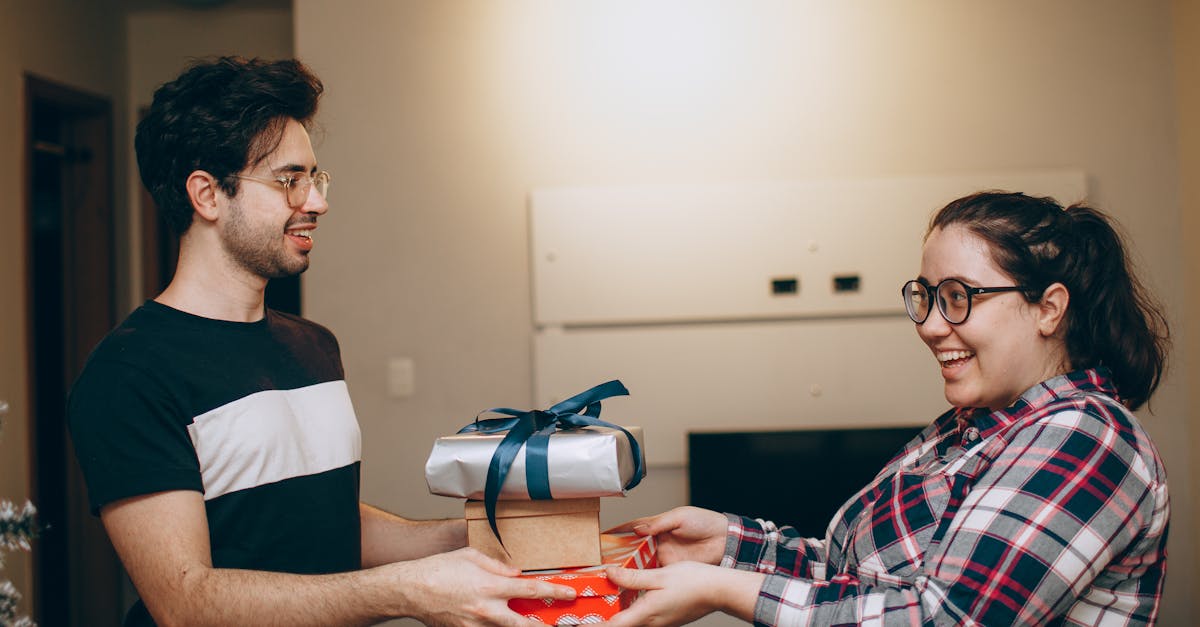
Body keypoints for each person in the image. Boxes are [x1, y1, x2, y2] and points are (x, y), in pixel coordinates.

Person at [66, 56, 574, 627]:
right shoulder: (129, 374)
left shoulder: (314, 346)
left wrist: (495, 536)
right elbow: (187, 603)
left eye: (315, 177)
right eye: (289, 181)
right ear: (207, 195)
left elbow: (325, 525)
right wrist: (407, 592)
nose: (316, 202)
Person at [605, 191, 1171, 626]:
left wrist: (722, 589)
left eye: (959, 298)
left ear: (1049, 309)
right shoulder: (968, 430)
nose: (928, 326)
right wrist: (727, 547)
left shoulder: (1087, 437)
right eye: (925, 298)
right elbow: (859, 578)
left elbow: (943, 616)